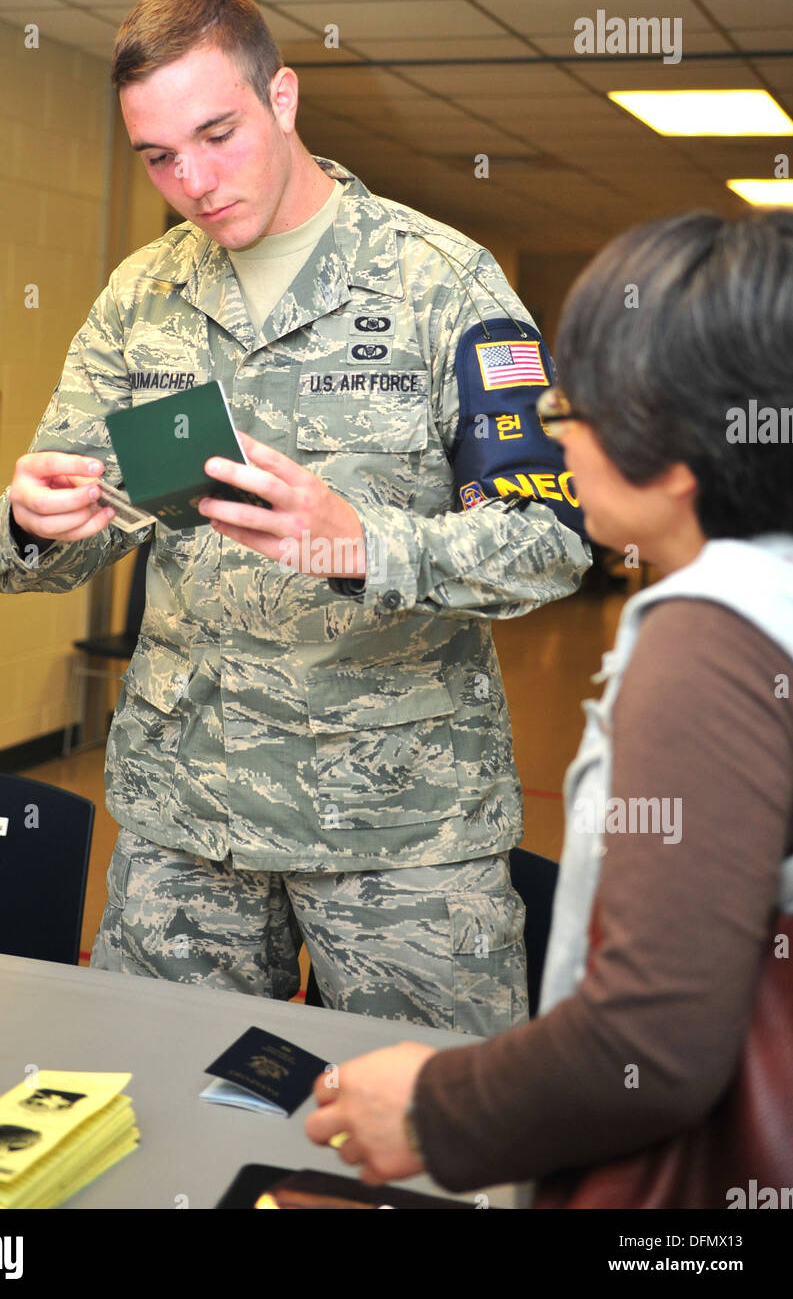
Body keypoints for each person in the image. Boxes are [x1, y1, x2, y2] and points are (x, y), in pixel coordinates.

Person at [0, 0, 588, 1036]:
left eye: (219, 134)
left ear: (285, 99)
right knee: (154, 1118)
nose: (196, 182)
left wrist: (366, 543)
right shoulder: (141, 296)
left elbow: (551, 540)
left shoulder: (442, 282)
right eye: (160, 157)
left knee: (434, 1151)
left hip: (403, 834)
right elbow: (58, 523)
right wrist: (37, 523)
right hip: (188, 825)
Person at [305, 208, 793, 1193]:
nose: (553, 431)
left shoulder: (710, 644)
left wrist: (434, 1105)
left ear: (677, 446)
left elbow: (651, 1042)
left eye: (576, 403)